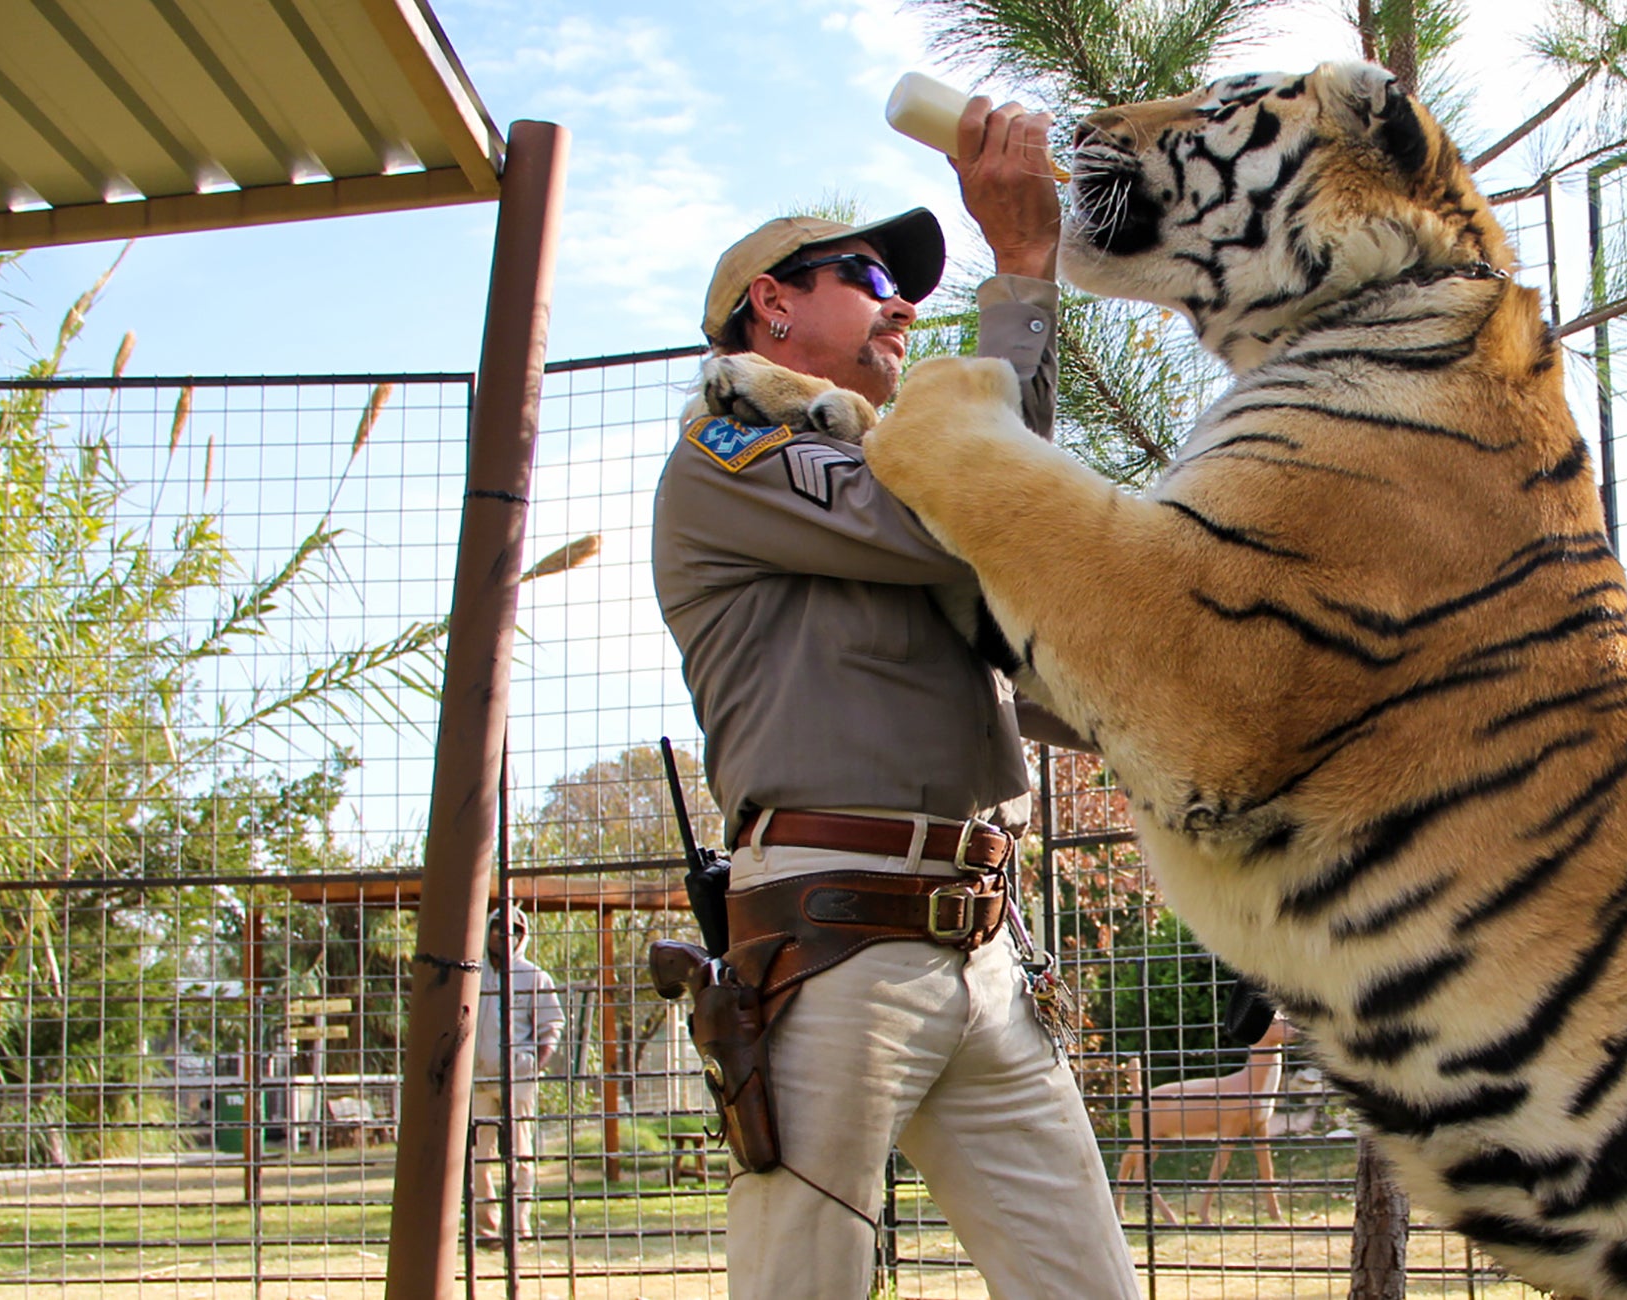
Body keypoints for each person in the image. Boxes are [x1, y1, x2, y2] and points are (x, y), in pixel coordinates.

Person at [650, 99, 1142, 1298]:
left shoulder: (878, 478)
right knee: (801, 1283)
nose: (904, 303)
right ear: (771, 303)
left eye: (907, 285)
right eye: (869, 276)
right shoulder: (732, 453)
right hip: (830, 939)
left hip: (985, 947)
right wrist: (1020, 269)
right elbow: (966, 507)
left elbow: (1022, 598)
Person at [472, 903, 565, 1245]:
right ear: (487, 931)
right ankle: (486, 1229)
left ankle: (518, 1226)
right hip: (477, 1081)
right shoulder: (472, 972)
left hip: (519, 1080)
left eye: (513, 930)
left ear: (522, 936)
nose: (504, 935)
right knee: (477, 1157)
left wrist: (533, 1066)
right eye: (498, 927)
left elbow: (551, 1027)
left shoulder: (535, 976)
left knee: (521, 1155)